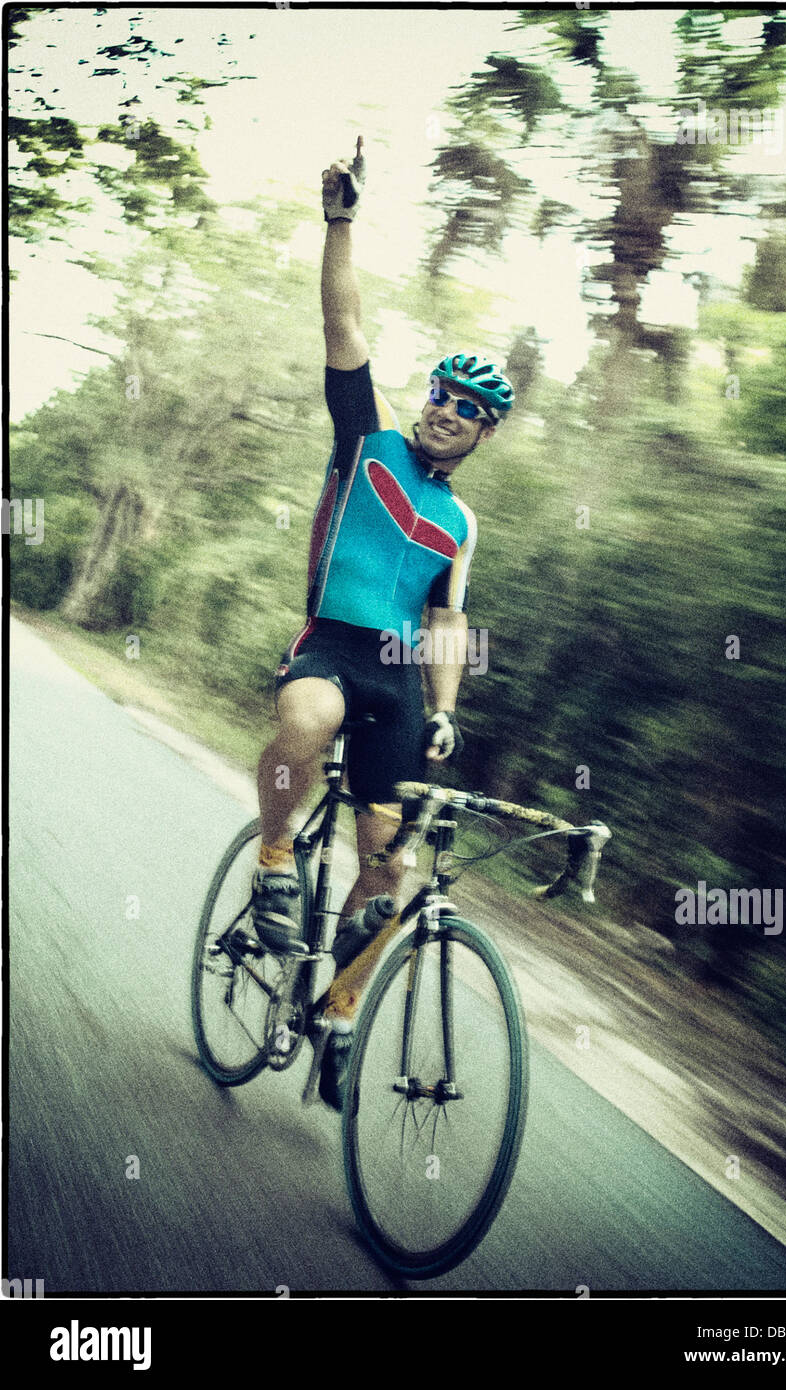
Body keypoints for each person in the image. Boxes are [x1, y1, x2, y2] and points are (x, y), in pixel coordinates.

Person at [251, 135, 515, 1109]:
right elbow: (343, 315)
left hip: (397, 676)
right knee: (305, 722)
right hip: (329, 642)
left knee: (387, 864)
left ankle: (338, 1008)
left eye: (472, 408)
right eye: (445, 392)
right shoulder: (364, 434)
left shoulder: (459, 519)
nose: (450, 410)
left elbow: (447, 622)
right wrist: (340, 220)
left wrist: (444, 708)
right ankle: (275, 858)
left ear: (485, 432)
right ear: (428, 395)